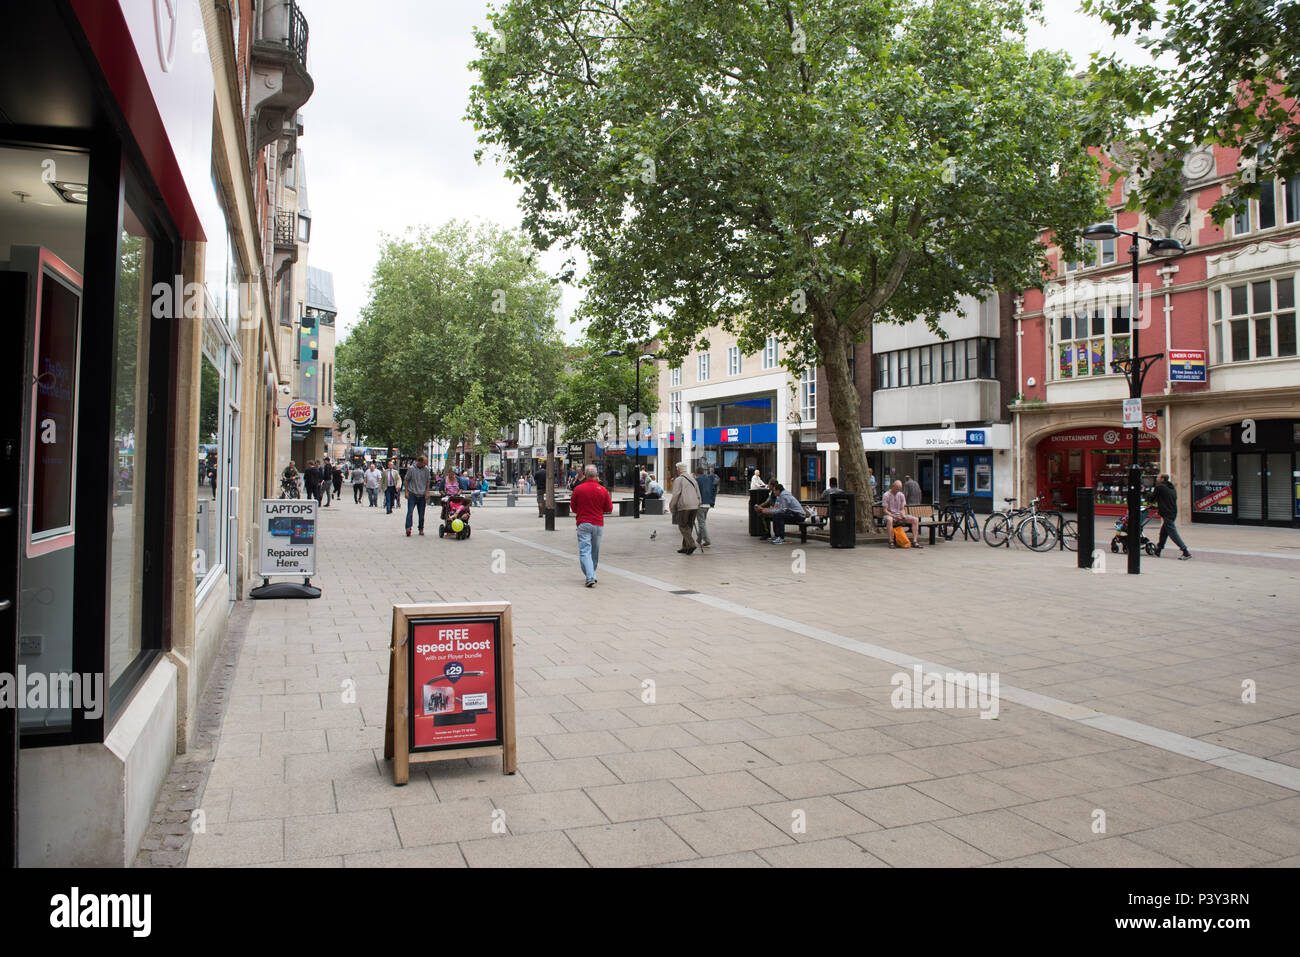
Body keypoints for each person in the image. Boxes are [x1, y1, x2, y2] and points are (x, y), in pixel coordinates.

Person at [571, 464, 613, 586]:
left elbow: (573, 507)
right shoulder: (603, 490)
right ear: (596, 475)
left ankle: (590, 576)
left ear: (585, 474)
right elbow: (609, 508)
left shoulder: (578, 489)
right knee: (594, 551)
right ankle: (591, 574)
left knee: (585, 551)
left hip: (583, 523)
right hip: (598, 524)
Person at [1148, 473, 1192, 560]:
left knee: (1172, 532)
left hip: (1166, 513)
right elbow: (1166, 501)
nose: (1157, 478)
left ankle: (1185, 551)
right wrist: (1157, 507)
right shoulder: (1171, 488)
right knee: (1164, 532)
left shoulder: (1159, 487)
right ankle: (1158, 550)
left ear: (1163, 479)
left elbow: (1152, 498)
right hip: (1172, 512)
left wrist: (1148, 498)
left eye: (1158, 477)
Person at [668, 462, 702, 554]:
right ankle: (685, 547)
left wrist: (671, 506)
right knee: (689, 526)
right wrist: (698, 503)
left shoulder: (679, 480)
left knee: (682, 525)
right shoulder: (693, 479)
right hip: (694, 505)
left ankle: (691, 544)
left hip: (684, 506)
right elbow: (698, 493)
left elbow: (675, 495)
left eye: (676, 469)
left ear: (679, 469)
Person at [882, 479, 922, 548]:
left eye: (899, 489)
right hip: (890, 515)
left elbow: (902, 509)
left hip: (899, 515)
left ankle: (915, 541)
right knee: (890, 520)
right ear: (893, 486)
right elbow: (885, 510)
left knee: (915, 519)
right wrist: (893, 516)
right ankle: (891, 541)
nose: (898, 490)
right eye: (897, 489)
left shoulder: (901, 495)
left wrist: (903, 515)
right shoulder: (886, 495)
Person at [403, 455, 433, 536]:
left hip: (422, 494)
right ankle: (408, 528)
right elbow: (406, 480)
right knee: (410, 511)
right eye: (425, 462)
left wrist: (427, 492)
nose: (426, 464)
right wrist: (406, 492)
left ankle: (421, 528)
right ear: (420, 462)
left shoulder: (426, 470)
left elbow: (428, 482)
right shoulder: (411, 469)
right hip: (412, 493)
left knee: (421, 513)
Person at [694, 464, 717, 547]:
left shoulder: (697, 480)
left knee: (701, 523)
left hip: (700, 503)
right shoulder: (709, 479)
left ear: (696, 473)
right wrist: (712, 502)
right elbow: (713, 491)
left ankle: (707, 540)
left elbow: (695, 492)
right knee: (702, 522)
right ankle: (699, 539)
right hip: (708, 503)